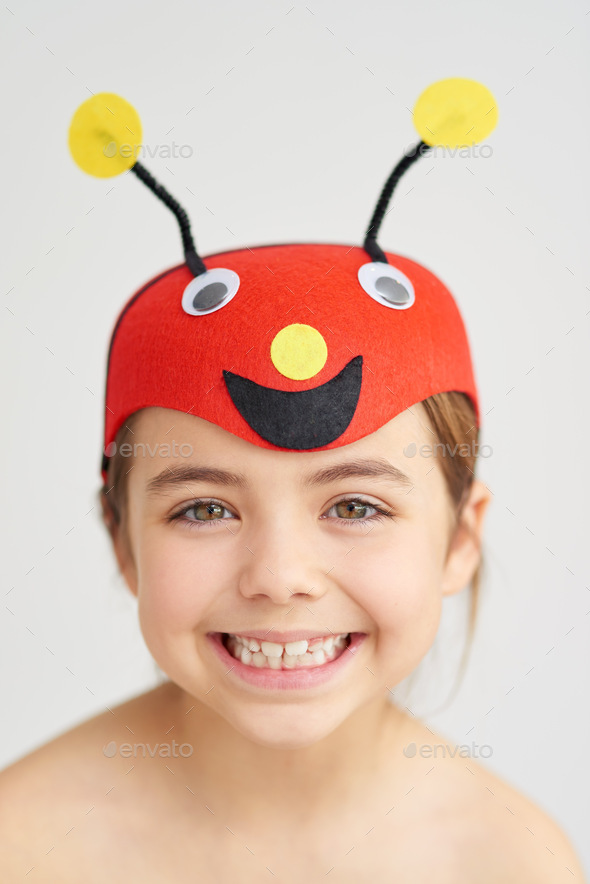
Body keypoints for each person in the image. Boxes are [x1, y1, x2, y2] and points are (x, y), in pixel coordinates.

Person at [0, 81, 586, 882]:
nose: (278, 577)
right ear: (121, 540)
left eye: (354, 504)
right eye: (203, 508)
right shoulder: (23, 844)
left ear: (460, 537)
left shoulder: (514, 860)